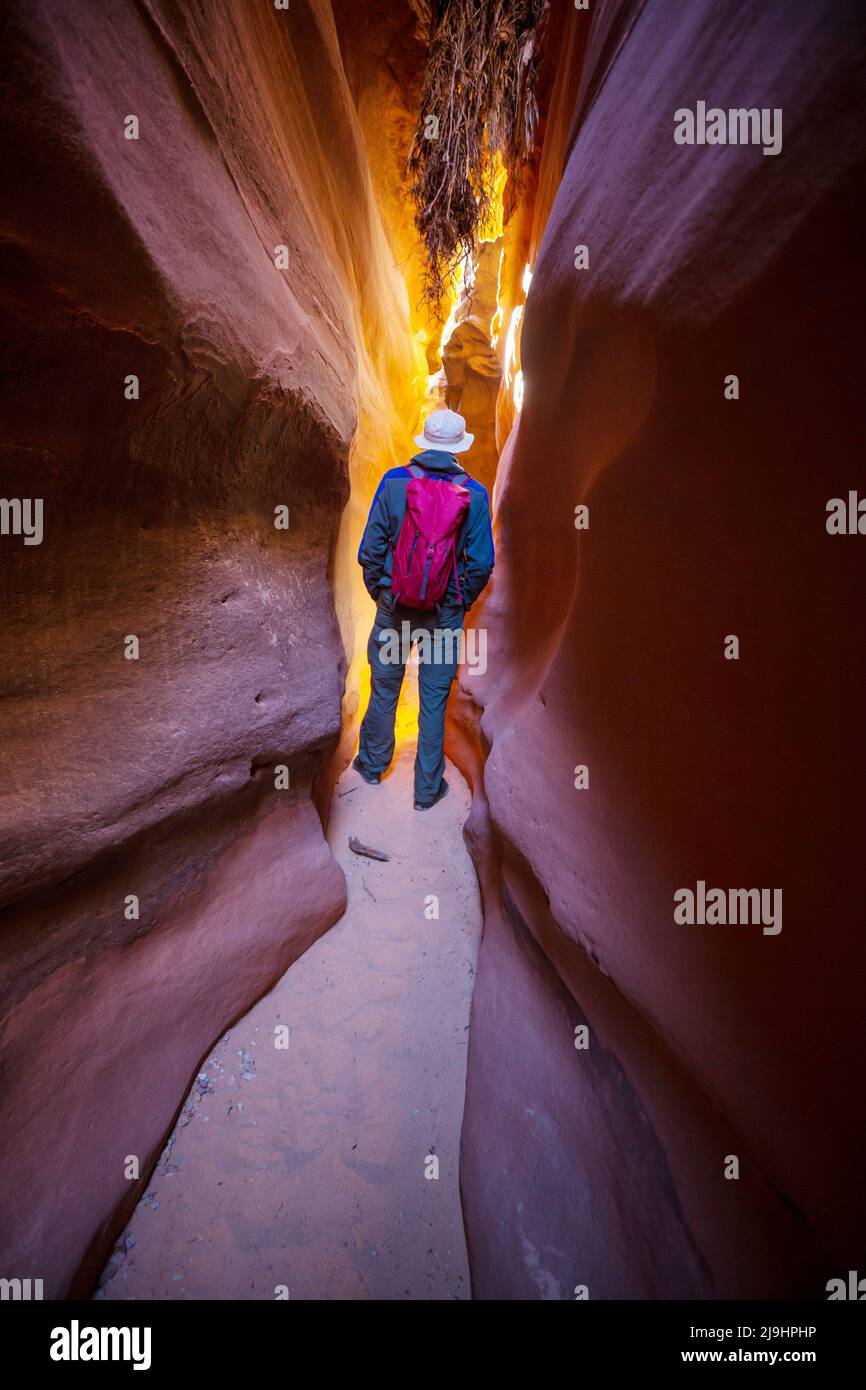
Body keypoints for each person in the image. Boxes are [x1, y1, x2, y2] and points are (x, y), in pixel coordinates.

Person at [354, 408, 494, 809]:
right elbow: (481, 562)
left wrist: (383, 593)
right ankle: (426, 791)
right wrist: (457, 600)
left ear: (425, 442)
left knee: (385, 688)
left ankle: (372, 765)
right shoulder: (475, 494)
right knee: (433, 698)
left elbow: (370, 550)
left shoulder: (395, 482)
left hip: (395, 608)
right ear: (458, 447)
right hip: (443, 616)